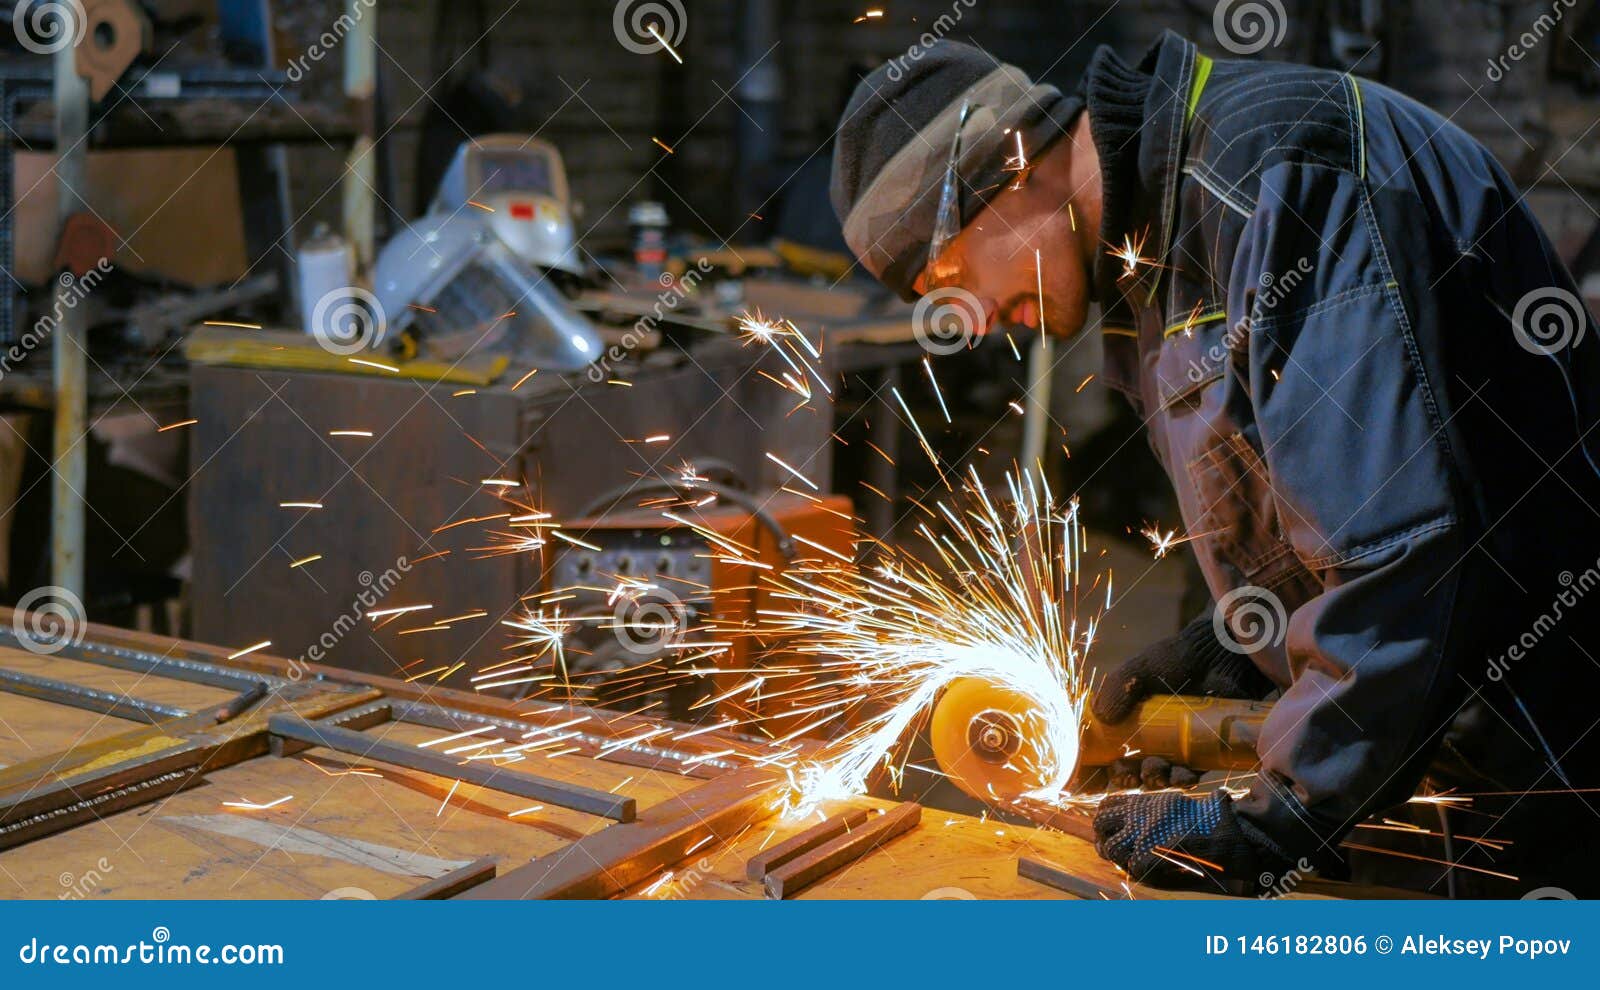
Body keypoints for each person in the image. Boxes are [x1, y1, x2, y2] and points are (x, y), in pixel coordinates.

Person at [829, 31, 1600, 896]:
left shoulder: (1275, 176)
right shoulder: (1145, 262)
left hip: (1549, 731)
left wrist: (1289, 813)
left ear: (1010, 168)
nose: (967, 321)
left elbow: (1405, 548)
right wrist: (1238, 641)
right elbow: (1288, 497)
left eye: (948, 274)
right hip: (1433, 729)